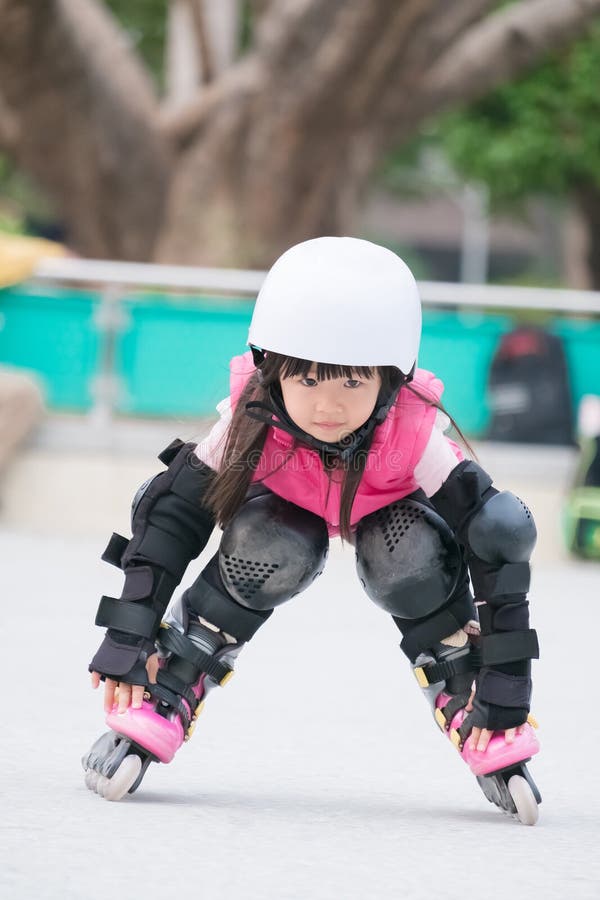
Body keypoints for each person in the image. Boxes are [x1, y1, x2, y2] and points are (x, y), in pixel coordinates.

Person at [83, 237, 541, 821]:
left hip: (392, 523)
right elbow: (170, 516)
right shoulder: (251, 421)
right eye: (306, 381)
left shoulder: (410, 434)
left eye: (351, 383)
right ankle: (183, 663)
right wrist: (129, 636)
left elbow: (499, 535)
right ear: (273, 372)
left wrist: (507, 682)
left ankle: (458, 671)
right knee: (272, 542)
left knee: (406, 552)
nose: (327, 407)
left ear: (390, 380)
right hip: (279, 523)